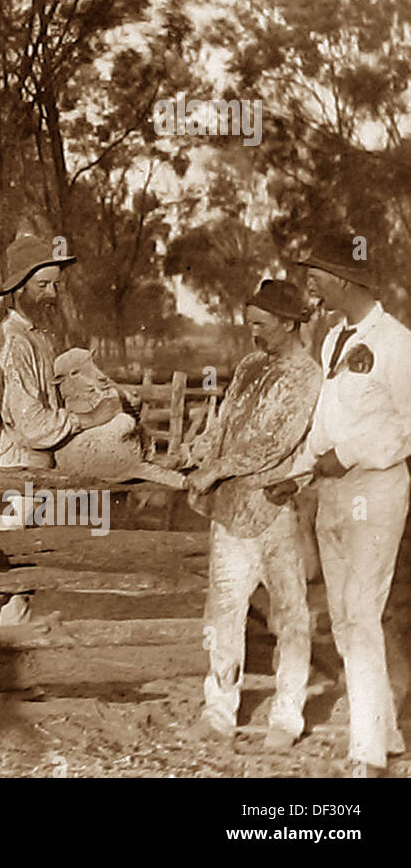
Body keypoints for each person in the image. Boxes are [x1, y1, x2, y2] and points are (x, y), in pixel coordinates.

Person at [290, 233, 411, 776]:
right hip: (331, 491)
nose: (308, 282)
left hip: (375, 492)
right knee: (343, 619)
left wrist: (350, 454)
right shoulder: (332, 337)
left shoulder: (399, 344)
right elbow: (323, 422)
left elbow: (408, 428)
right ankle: (385, 734)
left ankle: (365, 755)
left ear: (343, 278)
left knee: (361, 616)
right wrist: (298, 472)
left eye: (314, 271)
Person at [182, 280, 322, 751]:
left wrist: (216, 469)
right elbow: (223, 424)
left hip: (276, 511)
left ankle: (287, 716)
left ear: (288, 323)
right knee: (224, 613)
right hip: (230, 511)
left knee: (290, 615)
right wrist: (198, 454)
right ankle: (218, 712)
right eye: (250, 324)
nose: (254, 333)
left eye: (261, 325)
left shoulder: (305, 375)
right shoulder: (248, 367)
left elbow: (274, 442)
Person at [0, 228, 110, 625]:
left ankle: (8, 652)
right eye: (42, 285)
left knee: (24, 570)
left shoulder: (40, 338)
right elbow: (33, 425)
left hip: (38, 470)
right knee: (3, 571)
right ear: (18, 287)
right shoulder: (11, 343)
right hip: (15, 468)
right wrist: (89, 421)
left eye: (55, 284)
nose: (51, 293)